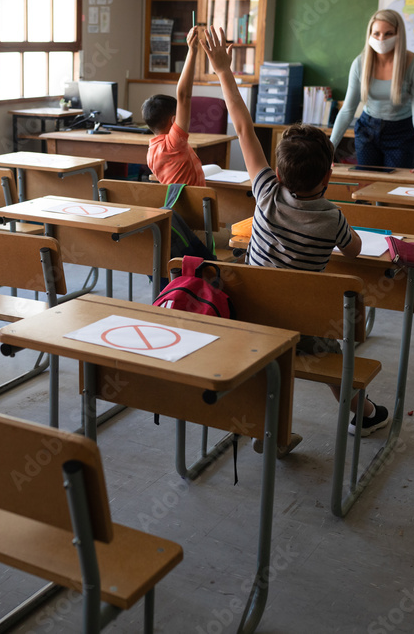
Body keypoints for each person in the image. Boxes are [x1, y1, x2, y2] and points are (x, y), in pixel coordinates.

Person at [200, 27, 391, 452]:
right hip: (302, 328)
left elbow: (242, 124)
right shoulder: (333, 218)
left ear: (279, 173)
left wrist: (222, 70)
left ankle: (267, 428)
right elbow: (356, 250)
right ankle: (364, 414)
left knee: (273, 344)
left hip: (248, 316)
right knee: (335, 355)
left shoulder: (266, 192)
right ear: (329, 177)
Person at [330, 9, 414, 175]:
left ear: (399, 35)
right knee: (366, 185)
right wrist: (328, 150)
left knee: (394, 188)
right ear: (370, 35)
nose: (381, 39)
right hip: (367, 129)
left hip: (401, 133)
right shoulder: (360, 64)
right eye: (376, 34)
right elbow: (347, 110)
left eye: (388, 34)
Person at [143, 25, 206, 186]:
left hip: (176, 207)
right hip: (195, 209)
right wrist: (192, 51)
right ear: (173, 121)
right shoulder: (173, 144)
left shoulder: (152, 152)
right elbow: (184, 96)